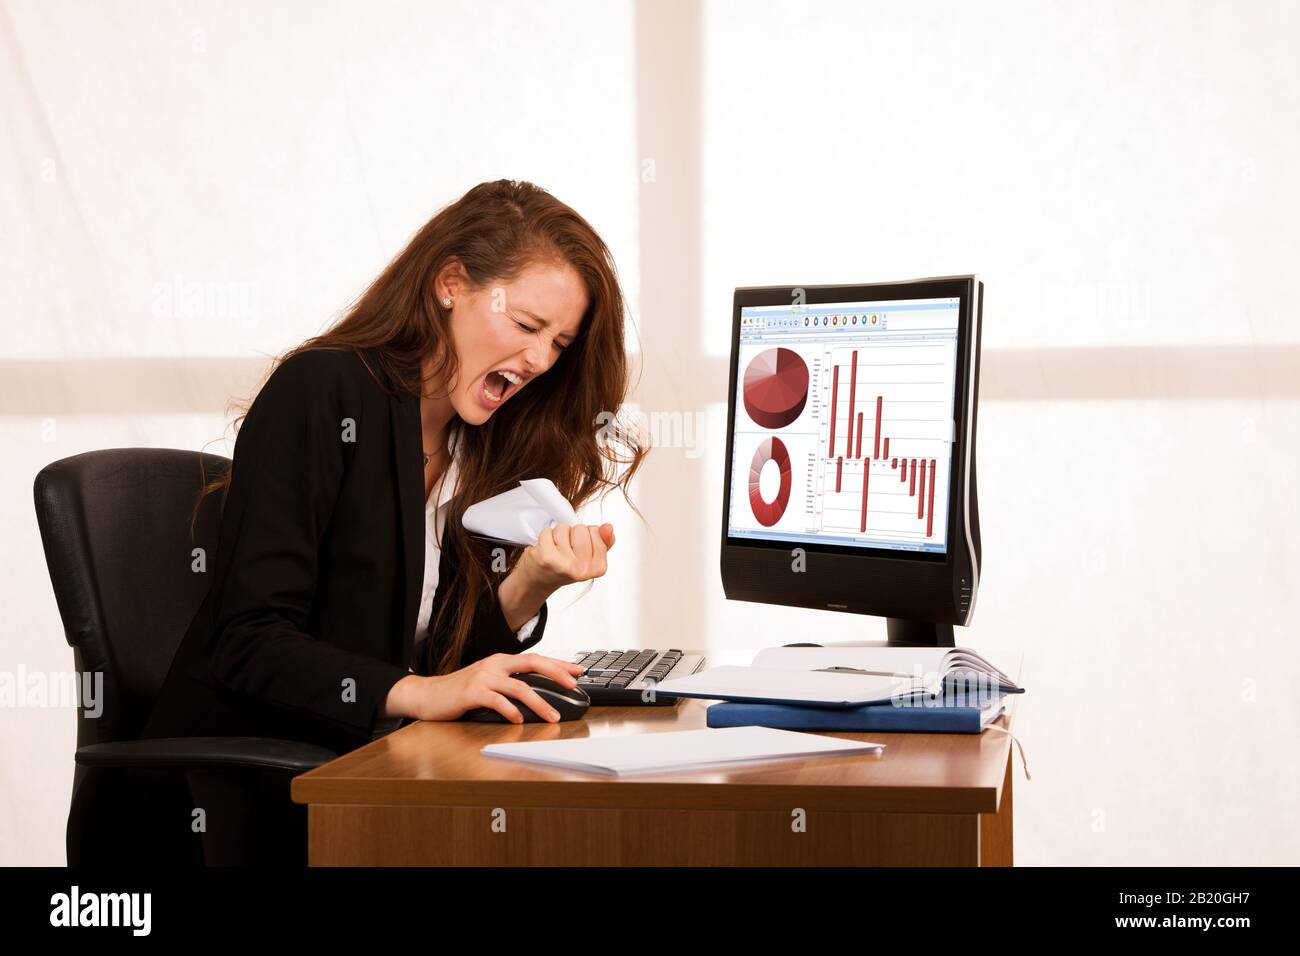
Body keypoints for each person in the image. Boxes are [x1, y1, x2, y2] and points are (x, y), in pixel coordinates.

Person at [128, 179, 647, 863]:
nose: (540, 361)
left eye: (558, 344)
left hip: (380, 771)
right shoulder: (323, 392)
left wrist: (531, 582)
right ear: (451, 283)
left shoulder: (474, 443)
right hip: (250, 798)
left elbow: (442, 667)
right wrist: (425, 692)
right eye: (525, 326)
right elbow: (249, 642)